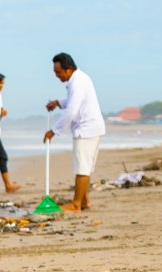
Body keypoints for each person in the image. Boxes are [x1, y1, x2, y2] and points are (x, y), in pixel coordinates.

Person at [44, 53, 106, 212]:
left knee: (82, 168)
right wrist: (58, 102)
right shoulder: (80, 78)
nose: (57, 76)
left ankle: (76, 204)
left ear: (68, 69)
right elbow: (73, 101)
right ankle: (84, 201)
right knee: (85, 166)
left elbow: (71, 111)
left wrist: (54, 131)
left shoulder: (76, 82)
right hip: (93, 128)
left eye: (58, 72)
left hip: (86, 129)